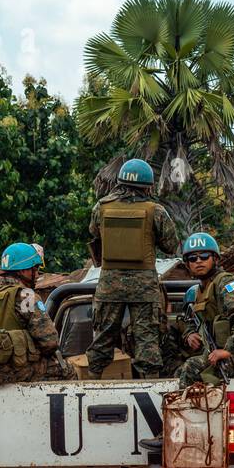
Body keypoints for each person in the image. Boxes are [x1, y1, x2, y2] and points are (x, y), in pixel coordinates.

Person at [87, 158, 178, 378]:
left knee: (103, 337)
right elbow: (171, 246)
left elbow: (94, 233)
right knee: (147, 338)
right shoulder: (155, 211)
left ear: (119, 182)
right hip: (144, 287)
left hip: (109, 285)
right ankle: (151, 384)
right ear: (148, 186)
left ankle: (91, 383)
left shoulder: (102, 207)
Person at [0, 242, 74, 385]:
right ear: (22, 271)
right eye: (35, 268)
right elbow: (50, 342)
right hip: (8, 372)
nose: (38, 273)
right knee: (68, 371)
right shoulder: (25, 295)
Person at [172, 231, 234, 388]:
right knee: (177, 370)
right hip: (217, 354)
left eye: (204, 256)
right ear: (187, 264)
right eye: (192, 258)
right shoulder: (197, 291)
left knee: (191, 367)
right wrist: (189, 334)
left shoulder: (226, 283)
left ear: (215, 258)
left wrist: (228, 350)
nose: (198, 261)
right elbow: (188, 320)